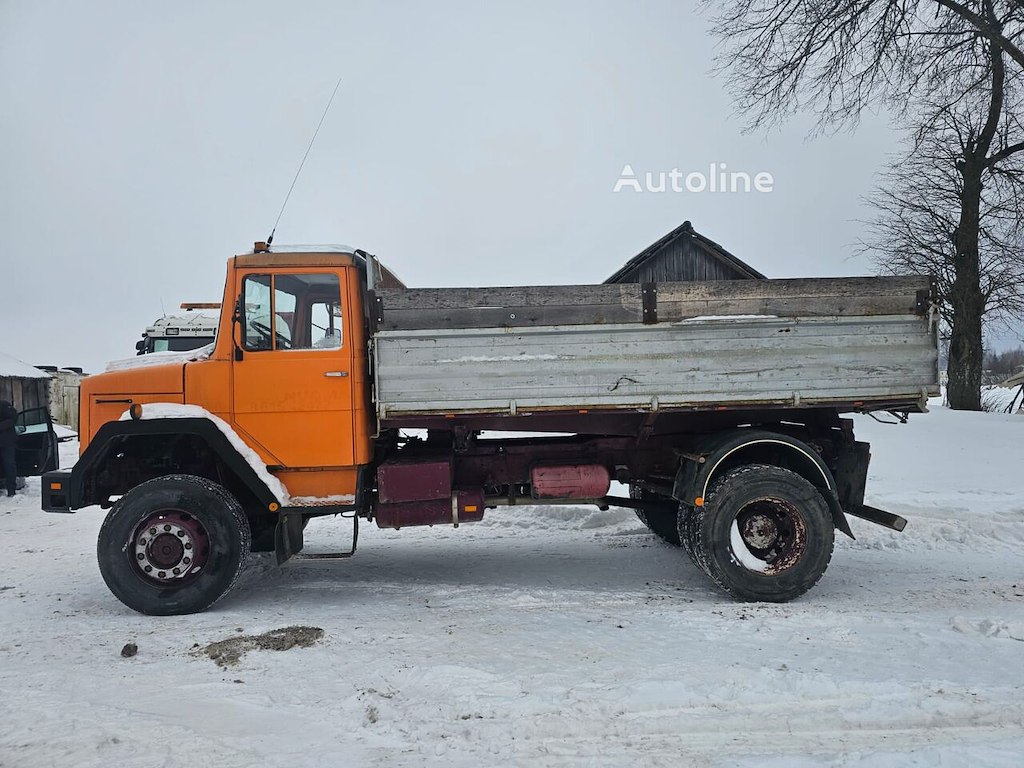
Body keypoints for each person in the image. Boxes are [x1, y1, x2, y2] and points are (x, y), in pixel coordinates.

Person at [0, 400, 18, 497]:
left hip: (6, 442)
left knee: (9, 465)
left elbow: (13, 419)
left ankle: (11, 490)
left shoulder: (4, 405)